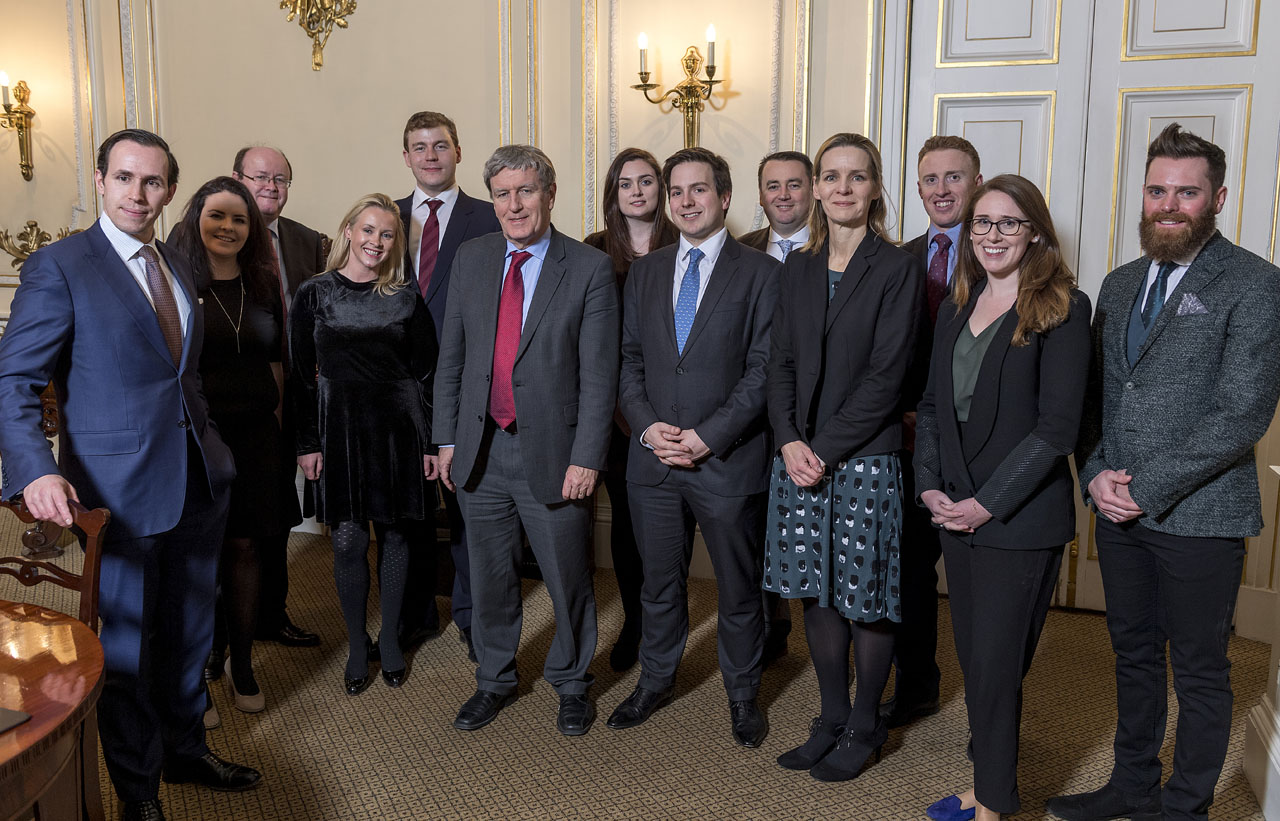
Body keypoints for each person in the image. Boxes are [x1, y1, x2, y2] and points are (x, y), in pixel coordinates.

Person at [0, 129, 260, 821]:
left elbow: (182, 375)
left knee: (188, 633)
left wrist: (216, 451)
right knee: (126, 650)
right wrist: (33, 471)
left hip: (197, 483)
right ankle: (138, 792)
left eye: (152, 182)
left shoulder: (176, 261)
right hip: (113, 495)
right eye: (124, 179)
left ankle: (185, 749)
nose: (138, 194)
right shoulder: (60, 265)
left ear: (169, 189)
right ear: (100, 180)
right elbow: (15, 379)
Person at [1048, 124, 1280, 821]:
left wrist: (1143, 490)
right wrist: (1093, 473)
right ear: (1142, 195)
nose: (1168, 204)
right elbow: (1094, 400)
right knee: (1133, 654)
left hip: (1200, 516)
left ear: (1218, 198)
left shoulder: (1256, 284)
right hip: (1116, 511)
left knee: (1204, 670)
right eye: (1157, 190)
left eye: (1187, 192)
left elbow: (1243, 413)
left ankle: (1183, 807)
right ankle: (1132, 783)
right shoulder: (1118, 283)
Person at [915, 174, 1091, 821]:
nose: (991, 235)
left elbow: (1057, 430)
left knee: (993, 666)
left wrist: (985, 503)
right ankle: (991, 786)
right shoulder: (958, 304)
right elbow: (933, 408)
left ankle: (991, 802)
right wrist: (930, 484)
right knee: (979, 662)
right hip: (952, 512)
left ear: (1035, 231)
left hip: (1017, 521)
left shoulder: (1063, 307)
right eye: (982, 222)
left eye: (1008, 223)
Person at [434, 144, 619, 737]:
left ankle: (571, 682)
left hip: (555, 453)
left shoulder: (587, 268)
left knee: (567, 577)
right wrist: (445, 438)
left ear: (550, 194)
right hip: (479, 449)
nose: (514, 204)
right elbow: (453, 359)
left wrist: (588, 455)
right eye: (502, 193)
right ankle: (493, 679)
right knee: (489, 576)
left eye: (525, 191)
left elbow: (599, 376)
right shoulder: (472, 257)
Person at [763, 132, 923, 781]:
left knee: (866, 595)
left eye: (857, 177)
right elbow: (779, 363)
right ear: (818, 187)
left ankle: (865, 723)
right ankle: (829, 716)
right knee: (817, 591)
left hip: (863, 457)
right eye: (831, 176)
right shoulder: (797, 266)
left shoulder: (898, 267)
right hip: (798, 454)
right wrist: (788, 439)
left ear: (875, 187)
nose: (842, 187)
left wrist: (819, 449)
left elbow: (886, 378)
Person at [610, 147, 779, 747]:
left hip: (728, 460)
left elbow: (763, 371)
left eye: (698, 190)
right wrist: (648, 425)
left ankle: (741, 694)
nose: (685, 201)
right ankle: (655, 681)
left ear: (724, 198)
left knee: (738, 588)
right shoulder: (648, 271)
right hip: (652, 461)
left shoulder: (761, 273)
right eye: (676, 191)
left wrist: (709, 436)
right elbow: (627, 362)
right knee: (658, 584)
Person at [290, 193, 438, 696]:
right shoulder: (314, 294)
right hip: (339, 431)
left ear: (396, 243)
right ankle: (357, 643)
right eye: (368, 230)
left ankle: (392, 641)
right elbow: (299, 379)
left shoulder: (404, 296)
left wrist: (432, 443)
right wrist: (307, 442)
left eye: (387, 234)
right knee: (350, 539)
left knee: (396, 537)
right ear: (349, 231)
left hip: (400, 429)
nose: (376, 241)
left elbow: (426, 374)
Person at [170, 176, 302, 716]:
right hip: (198, 435)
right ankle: (201, 668)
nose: (228, 227)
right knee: (202, 555)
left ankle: (241, 663)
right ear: (196, 218)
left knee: (249, 549)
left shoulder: (264, 285)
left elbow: (277, 365)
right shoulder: (175, 282)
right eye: (217, 216)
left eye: (240, 219)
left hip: (255, 436)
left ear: (253, 229)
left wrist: (277, 427)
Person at [884, 134, 984, 729]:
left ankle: (986, 709)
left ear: (975, 182)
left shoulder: (1006, 249)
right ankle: (916, 687)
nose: (941, 190)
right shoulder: (900, 258)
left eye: (953, 177)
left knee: (976, 585)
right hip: (904, 441)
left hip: (975, 445)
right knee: (909, 572)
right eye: (930, 179)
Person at [395, 111, 502, 659]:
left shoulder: (492, 215)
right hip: (399, 391)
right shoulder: (382, 219)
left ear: (459, 151)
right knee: (409, 509)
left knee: (469, 507)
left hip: (469, 385)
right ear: (406, 156)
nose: (430, 155)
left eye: (441, 145)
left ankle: (469, 614)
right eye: (419, 147)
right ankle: (416, 613)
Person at [583, 147, 679, 673]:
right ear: (613, 194)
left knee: (673, 525)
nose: (637, 191)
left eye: (646, 181)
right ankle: (637, 624)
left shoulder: (685, 243)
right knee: (626, 523)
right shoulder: (594, 251)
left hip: (680, 409)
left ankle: (668, 624)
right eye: (626, 183)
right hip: (617, 415)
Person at [231, 144, 326, 650]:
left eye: (281, 180)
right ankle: (227, 627)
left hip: (295, 393)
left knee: (277, 511)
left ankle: (272, 614)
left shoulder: (307, 242)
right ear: (237, 178)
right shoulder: (216, 234)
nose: (270, 187)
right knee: (237, 520)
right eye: (260, 177)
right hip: (238, 402)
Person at [736, 149, 816, 666]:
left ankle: (827, 641)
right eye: (772, 186)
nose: (783, 196)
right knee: (753, 529)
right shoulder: (739, 251)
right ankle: (770, 629)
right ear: (759, 193)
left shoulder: (840, 249)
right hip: (747, 419)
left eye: (794, 185)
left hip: (809, 419)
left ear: (813, 192)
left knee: (811, 531)